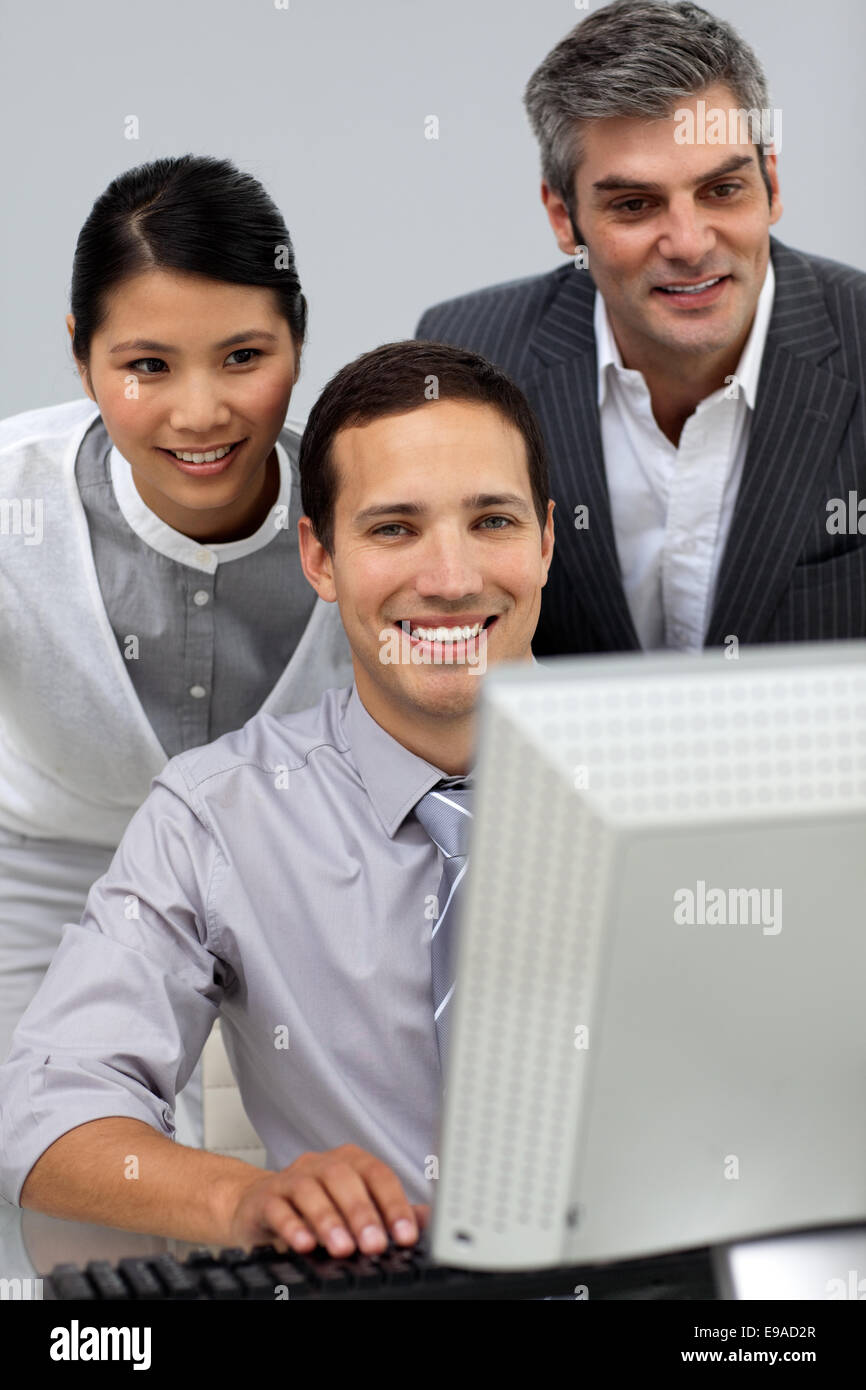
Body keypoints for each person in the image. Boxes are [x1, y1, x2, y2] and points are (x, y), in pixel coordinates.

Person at [0, 340, 555, 1257]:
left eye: (490, 521)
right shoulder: (218, 812)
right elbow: (47, 1113)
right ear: (320, 558)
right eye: (393, 529)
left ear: (544, 539)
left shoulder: (685, 776)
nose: (452, 580)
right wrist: (245, 1204)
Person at [0, 155, 353, 1146]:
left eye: (243, 357)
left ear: (297, 341)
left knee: (293, 1191)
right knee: (40, 1171)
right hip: (42, 877)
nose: (201, 413)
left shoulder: (366, 509)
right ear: (82, 356)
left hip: (281, 892)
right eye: (147, 366)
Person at [416, 0, 866, 657]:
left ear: (770, 182)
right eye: (634, 204)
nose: (688, 243)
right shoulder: (472, 357)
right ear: (563, 217)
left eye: (722, 190)